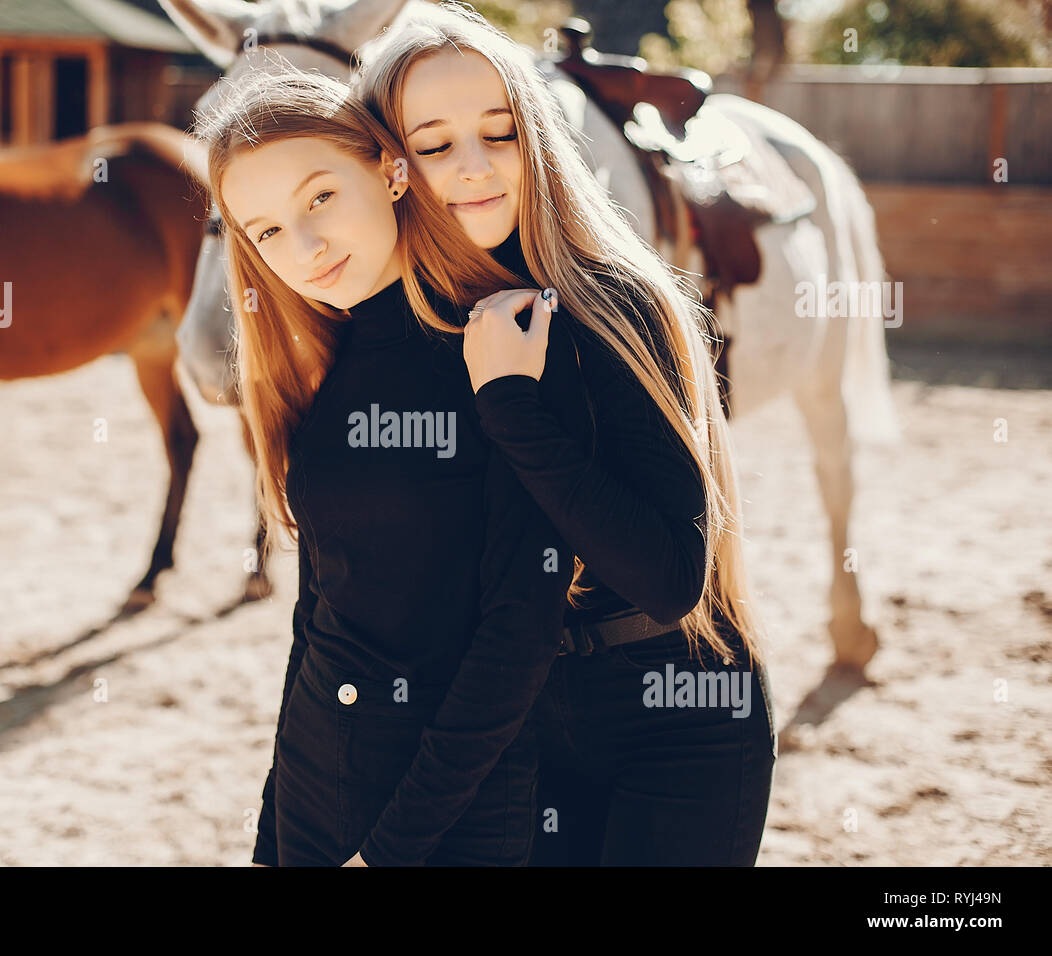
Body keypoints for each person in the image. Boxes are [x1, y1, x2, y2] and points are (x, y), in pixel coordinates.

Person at [356, 2, 778, 865]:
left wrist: (511, 403)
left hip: (678, 721)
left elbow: (670, 579)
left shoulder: (617, 303)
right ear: (392, 166)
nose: (475, 167)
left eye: (499, 133)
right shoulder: (395, 325)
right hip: (512, 726)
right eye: (434, 145)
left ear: (537, 138)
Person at [197, 66, 590, 866]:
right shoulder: (327, 364)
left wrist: (388, 852)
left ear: (390, 170)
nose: (304, 248)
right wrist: (274, 829)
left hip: (445, 811)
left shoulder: (500, 351)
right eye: (267, 231)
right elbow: (318, 619)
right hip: (315, 785)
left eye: (319, 198)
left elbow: (519, 632)